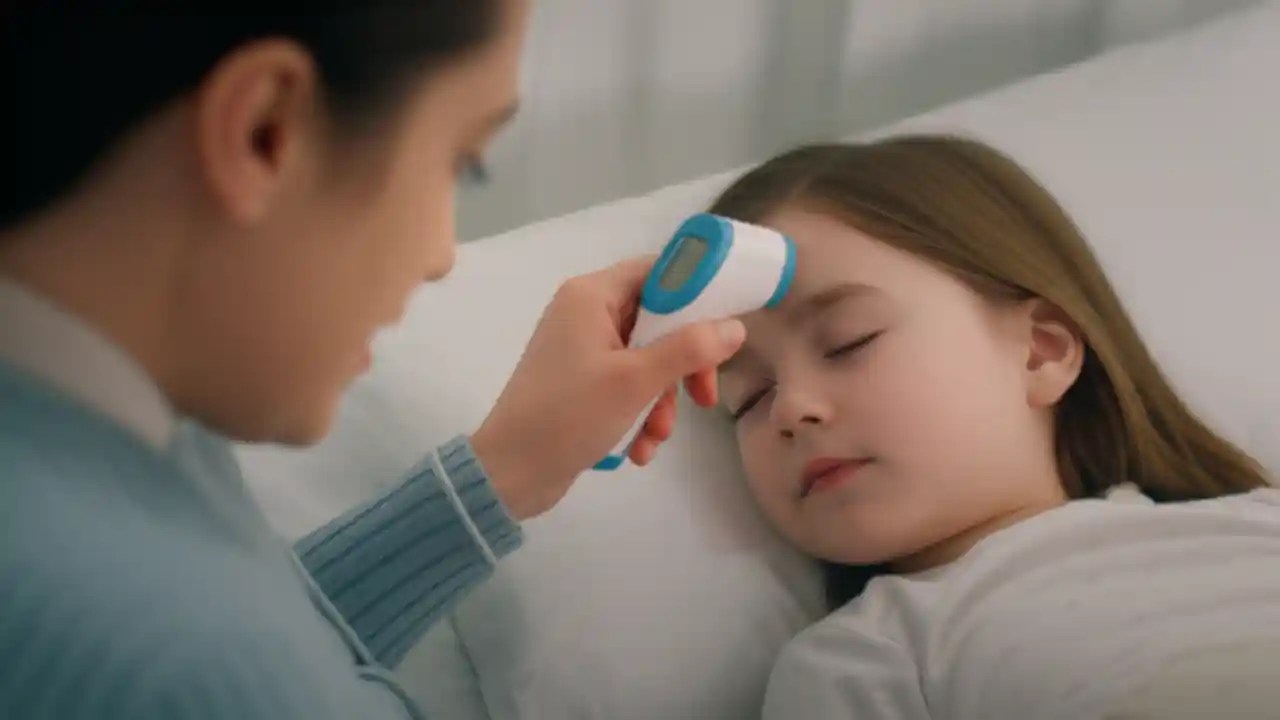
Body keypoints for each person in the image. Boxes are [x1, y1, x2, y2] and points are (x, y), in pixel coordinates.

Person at [0, 2, 746, 718]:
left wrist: (504, 473)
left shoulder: (132, 425)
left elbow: (276, 642)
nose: (441, 257)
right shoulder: (181, 662)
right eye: (461, 163)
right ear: (265, 131)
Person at [710, 135, 1280, 719]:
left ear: (1039, 352)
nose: (789, 409)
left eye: (848, 341)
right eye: (748, 399)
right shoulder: (865, 657)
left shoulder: (1254, 521)